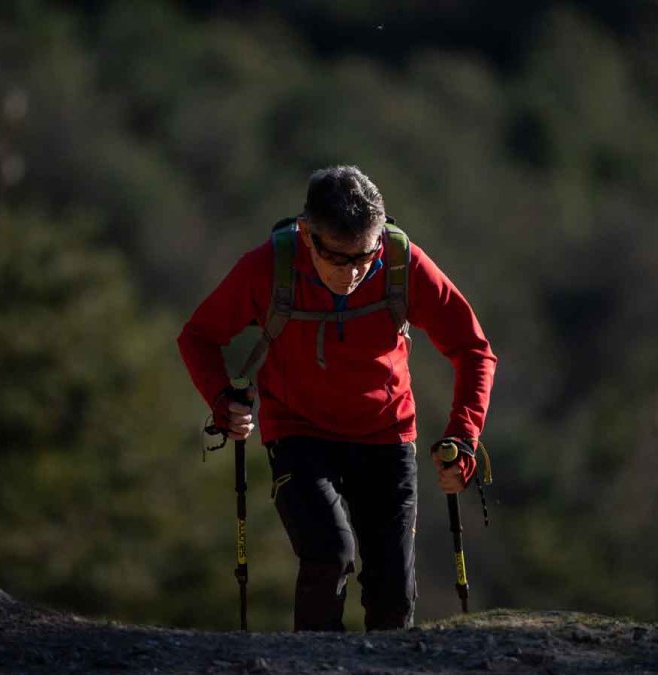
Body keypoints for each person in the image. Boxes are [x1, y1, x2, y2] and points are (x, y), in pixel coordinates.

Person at [177, 165, 496, 631]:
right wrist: (223, 401)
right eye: (339, 259)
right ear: (306, 234)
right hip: (300, 433)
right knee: (329, 554)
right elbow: (198, 336)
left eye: (367, 256)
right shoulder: (268, 268)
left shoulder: (402, 263)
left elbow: (474, 350)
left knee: (394, 596)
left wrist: (463, 438)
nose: (355, 273)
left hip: (386, 433)